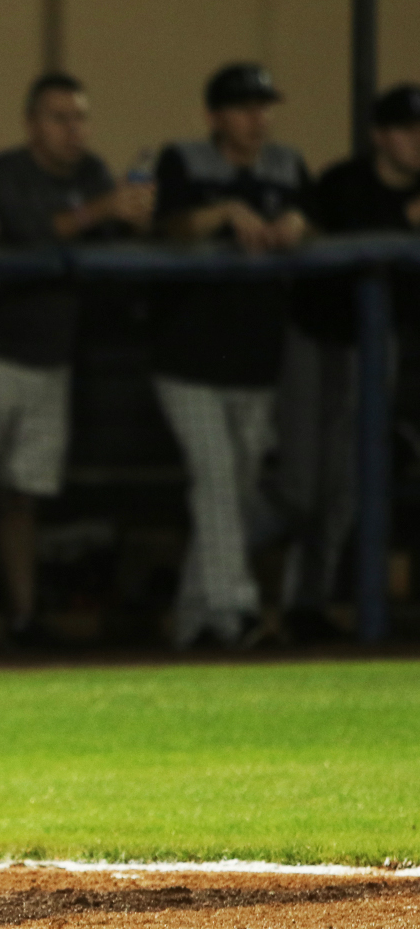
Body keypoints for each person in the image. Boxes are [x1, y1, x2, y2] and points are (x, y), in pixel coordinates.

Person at [0, 73, 153, 648]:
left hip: (50, 356)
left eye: (79, 117)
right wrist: (101, 209)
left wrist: (129, 221)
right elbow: (26, 231)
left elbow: (107, 253)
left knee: (22, 495)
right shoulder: (9, 170)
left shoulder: (91, 174)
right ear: (33, 124)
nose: (72, 129)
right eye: (58, 117)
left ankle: (22, 616)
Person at [151, 62, 312, 649]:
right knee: (217, 481)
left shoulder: (285, 164)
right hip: (187, 358)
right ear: (217, 116)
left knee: (234, 489)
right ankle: (235, 610)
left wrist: (299, 221)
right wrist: (221, 212)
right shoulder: (187, 160)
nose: (258, 118)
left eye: (264, 106)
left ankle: (197, 621)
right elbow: (168, 225)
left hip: (255, 358)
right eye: (245, 107)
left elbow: (316, 216)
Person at [278, 84, 420, 641]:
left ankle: (307, 603)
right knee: (299, 488)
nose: (418, 141)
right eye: (408, 130)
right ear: (380, 137)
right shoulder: (344, 182)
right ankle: (252, 566)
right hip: (317, 340)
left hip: (376, 345)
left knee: (345, 485)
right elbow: (302, 226)